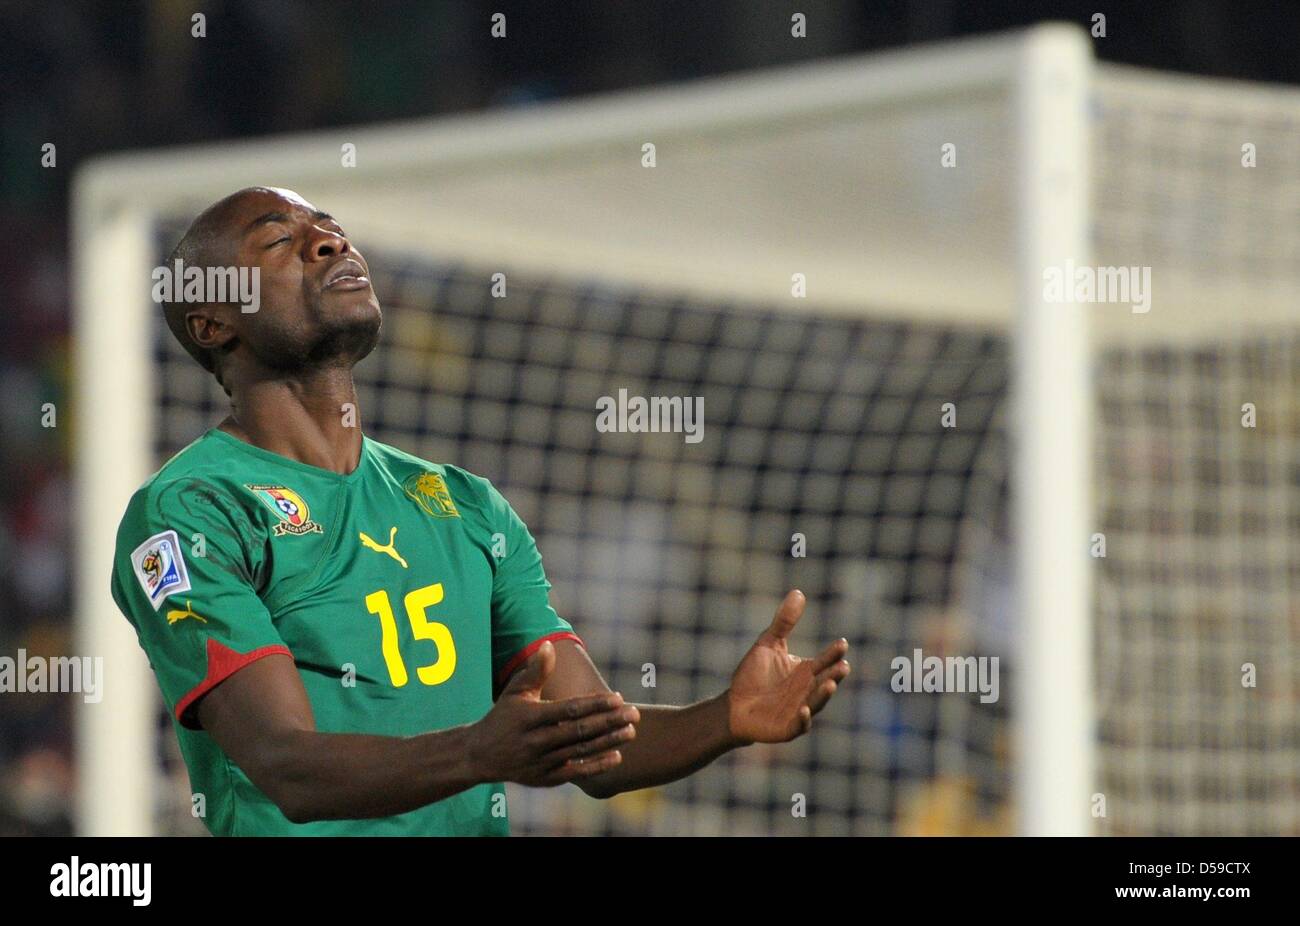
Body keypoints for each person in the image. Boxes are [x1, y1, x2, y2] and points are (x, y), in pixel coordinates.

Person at [110, 186, 851, 835]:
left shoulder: (462, 503)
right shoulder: (192, 511)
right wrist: (476, 751)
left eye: (329, 226)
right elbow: (286, 766)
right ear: (213, 324)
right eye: (280, 239)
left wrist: (723, 718)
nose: (329, 241)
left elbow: (589, 741)